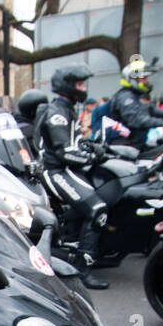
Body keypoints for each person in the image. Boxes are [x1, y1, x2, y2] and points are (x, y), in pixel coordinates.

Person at [33, 64, 110, 289]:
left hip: (66, 169)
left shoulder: (67, 109)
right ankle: (83, 270)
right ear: (67, 86)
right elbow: (64, 152)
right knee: (97, 211)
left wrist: (91, 147)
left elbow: (74, 143)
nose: (83, 88)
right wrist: (93, 156)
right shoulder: (57, 113)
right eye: (79, 84)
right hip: (55, 171)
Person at [105, 56, 163, 151]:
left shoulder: (135, 96)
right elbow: (135, 119)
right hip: (125, 147)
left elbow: (150, 109)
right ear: (133, 79)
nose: (147, 81)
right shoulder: (126, 97)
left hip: (136, 145)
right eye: (144, 78)